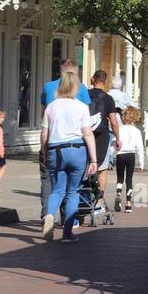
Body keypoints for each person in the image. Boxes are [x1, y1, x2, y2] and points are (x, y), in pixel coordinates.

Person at [40, 71, 97, 242]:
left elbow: (44, 135)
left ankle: (49, 215)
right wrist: (93, 159)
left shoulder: (51, 106)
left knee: (57, 190)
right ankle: (67, 233)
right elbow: (87, 134)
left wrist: (45, 153)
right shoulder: (81, 107)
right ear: (76, 87)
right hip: (76, 149)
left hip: (55, 150)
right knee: (73, 192)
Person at [87, 69, 122, 197]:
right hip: (102, 136)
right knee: (102, 169)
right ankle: (99, 200)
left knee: (86, 164)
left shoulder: (84, 94)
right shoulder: (108, 98)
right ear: (105, 82)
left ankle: (83, 194)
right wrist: (118, 138)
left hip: (85, 134)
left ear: (92, 79)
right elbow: (113, 121)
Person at [115, 106, 146, 212]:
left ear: (124, 116)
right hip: (131, 156)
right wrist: (141, 163)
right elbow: (140, 148)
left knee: (120, 178)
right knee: (129, 180)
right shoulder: (137, 131)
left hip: (120, 155)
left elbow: (114, 142)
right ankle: (128, 204)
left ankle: (118, 194)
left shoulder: (119, 129)